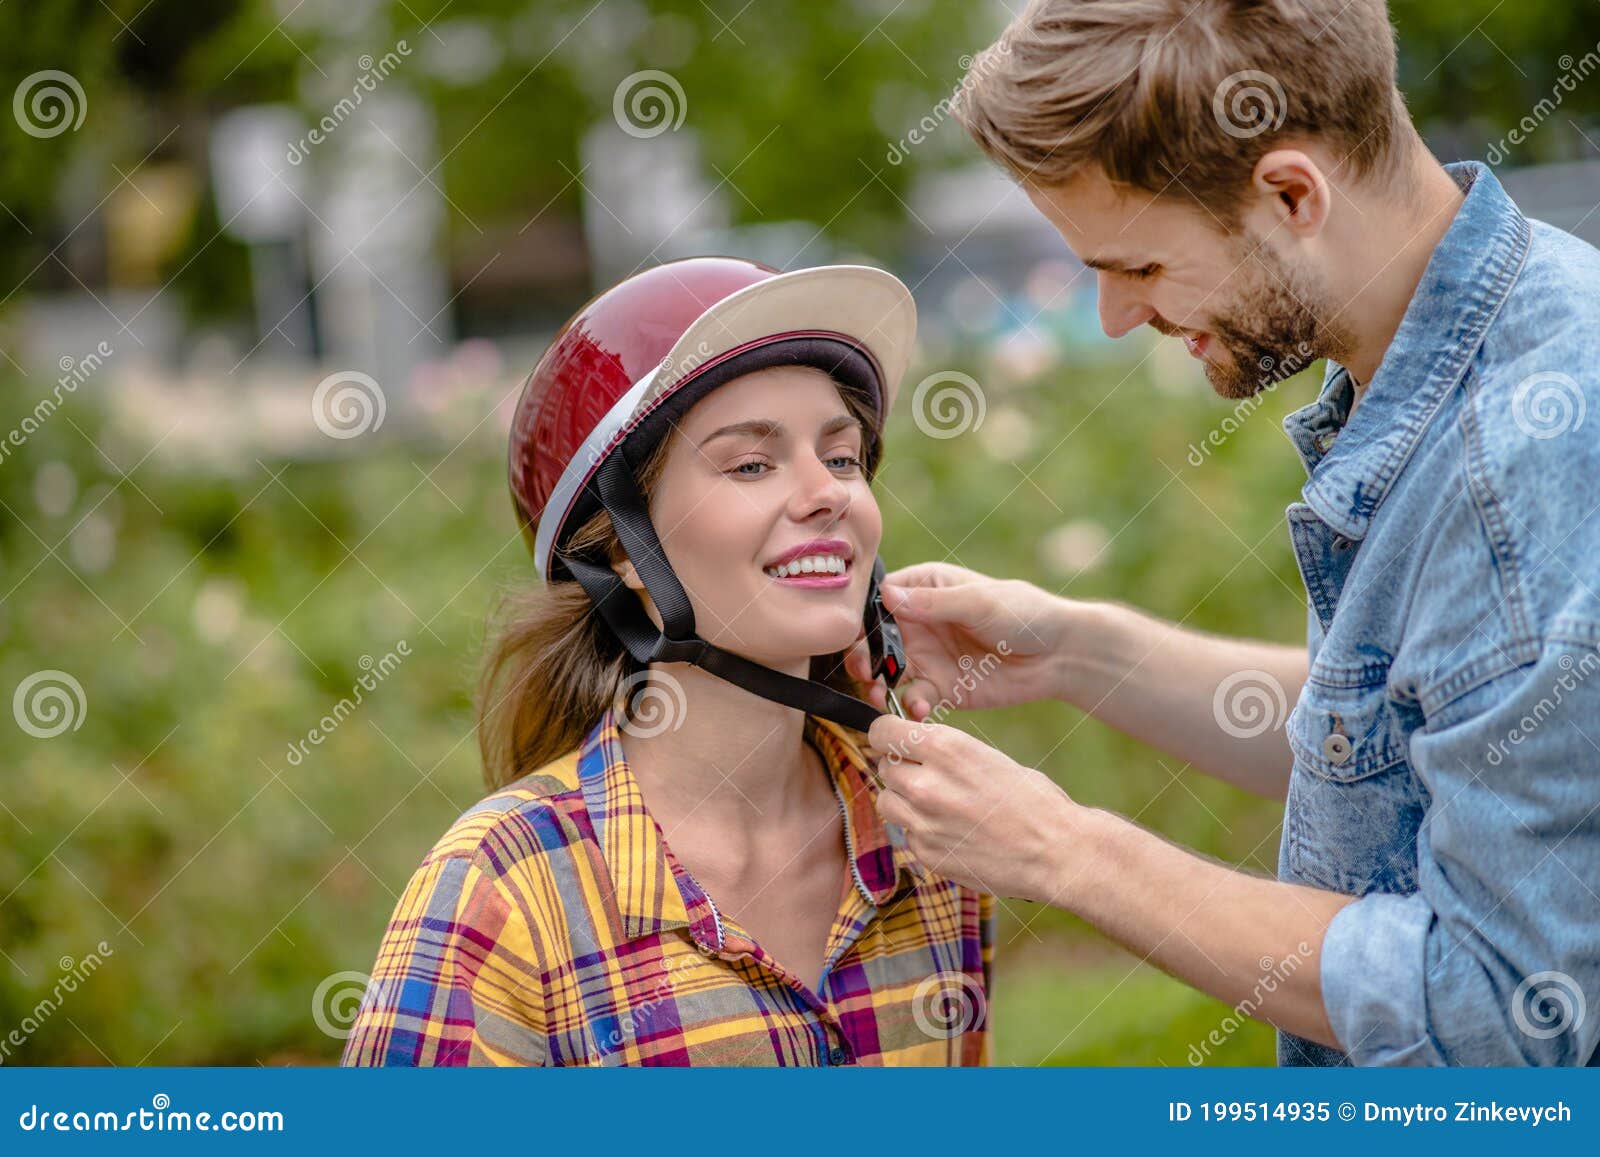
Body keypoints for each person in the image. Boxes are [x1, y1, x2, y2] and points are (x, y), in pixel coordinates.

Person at [850, 0, 1600, 1065]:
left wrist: (1062, 850)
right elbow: (1430, 733)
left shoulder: (1523, 463)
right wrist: (1075, 650)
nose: (1111, 316)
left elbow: (1500, 1010)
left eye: (1139, 267)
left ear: (1292, 194)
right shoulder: (1494, 334)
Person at [342, 257, 994, 1067]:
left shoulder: (933, 841)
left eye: (843, 456)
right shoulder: (500, 891)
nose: (827, 491)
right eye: (751, 463)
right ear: (621, 548)